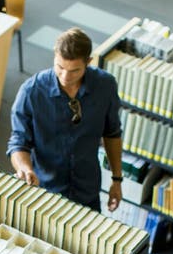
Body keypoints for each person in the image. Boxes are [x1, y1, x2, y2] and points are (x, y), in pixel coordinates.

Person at [7, 27, 124, 211]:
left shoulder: (105, 86)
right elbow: (18, 143)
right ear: (55, 56)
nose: (65, 77)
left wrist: (117, 180)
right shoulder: (31, 92)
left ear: (89, 62)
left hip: (87, 189)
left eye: (75, 71)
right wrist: (25, 169)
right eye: (60, 67)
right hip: (44, 192)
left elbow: (112, 133)